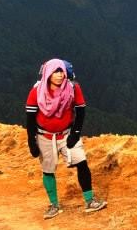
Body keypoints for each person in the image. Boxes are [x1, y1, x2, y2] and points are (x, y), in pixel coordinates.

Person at [25, 58, 107, 219]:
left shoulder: (73, 89)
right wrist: (31, 141)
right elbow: (30, 117)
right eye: (56, 71)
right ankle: (54, 205)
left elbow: (81, 111)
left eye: (62, 71)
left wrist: (75, 133)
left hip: (67, 133)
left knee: (82, 163)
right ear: (48, 73)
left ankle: (90, 201)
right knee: (48, 170)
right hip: (44, 136)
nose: (60, 75)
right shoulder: (36, 92)